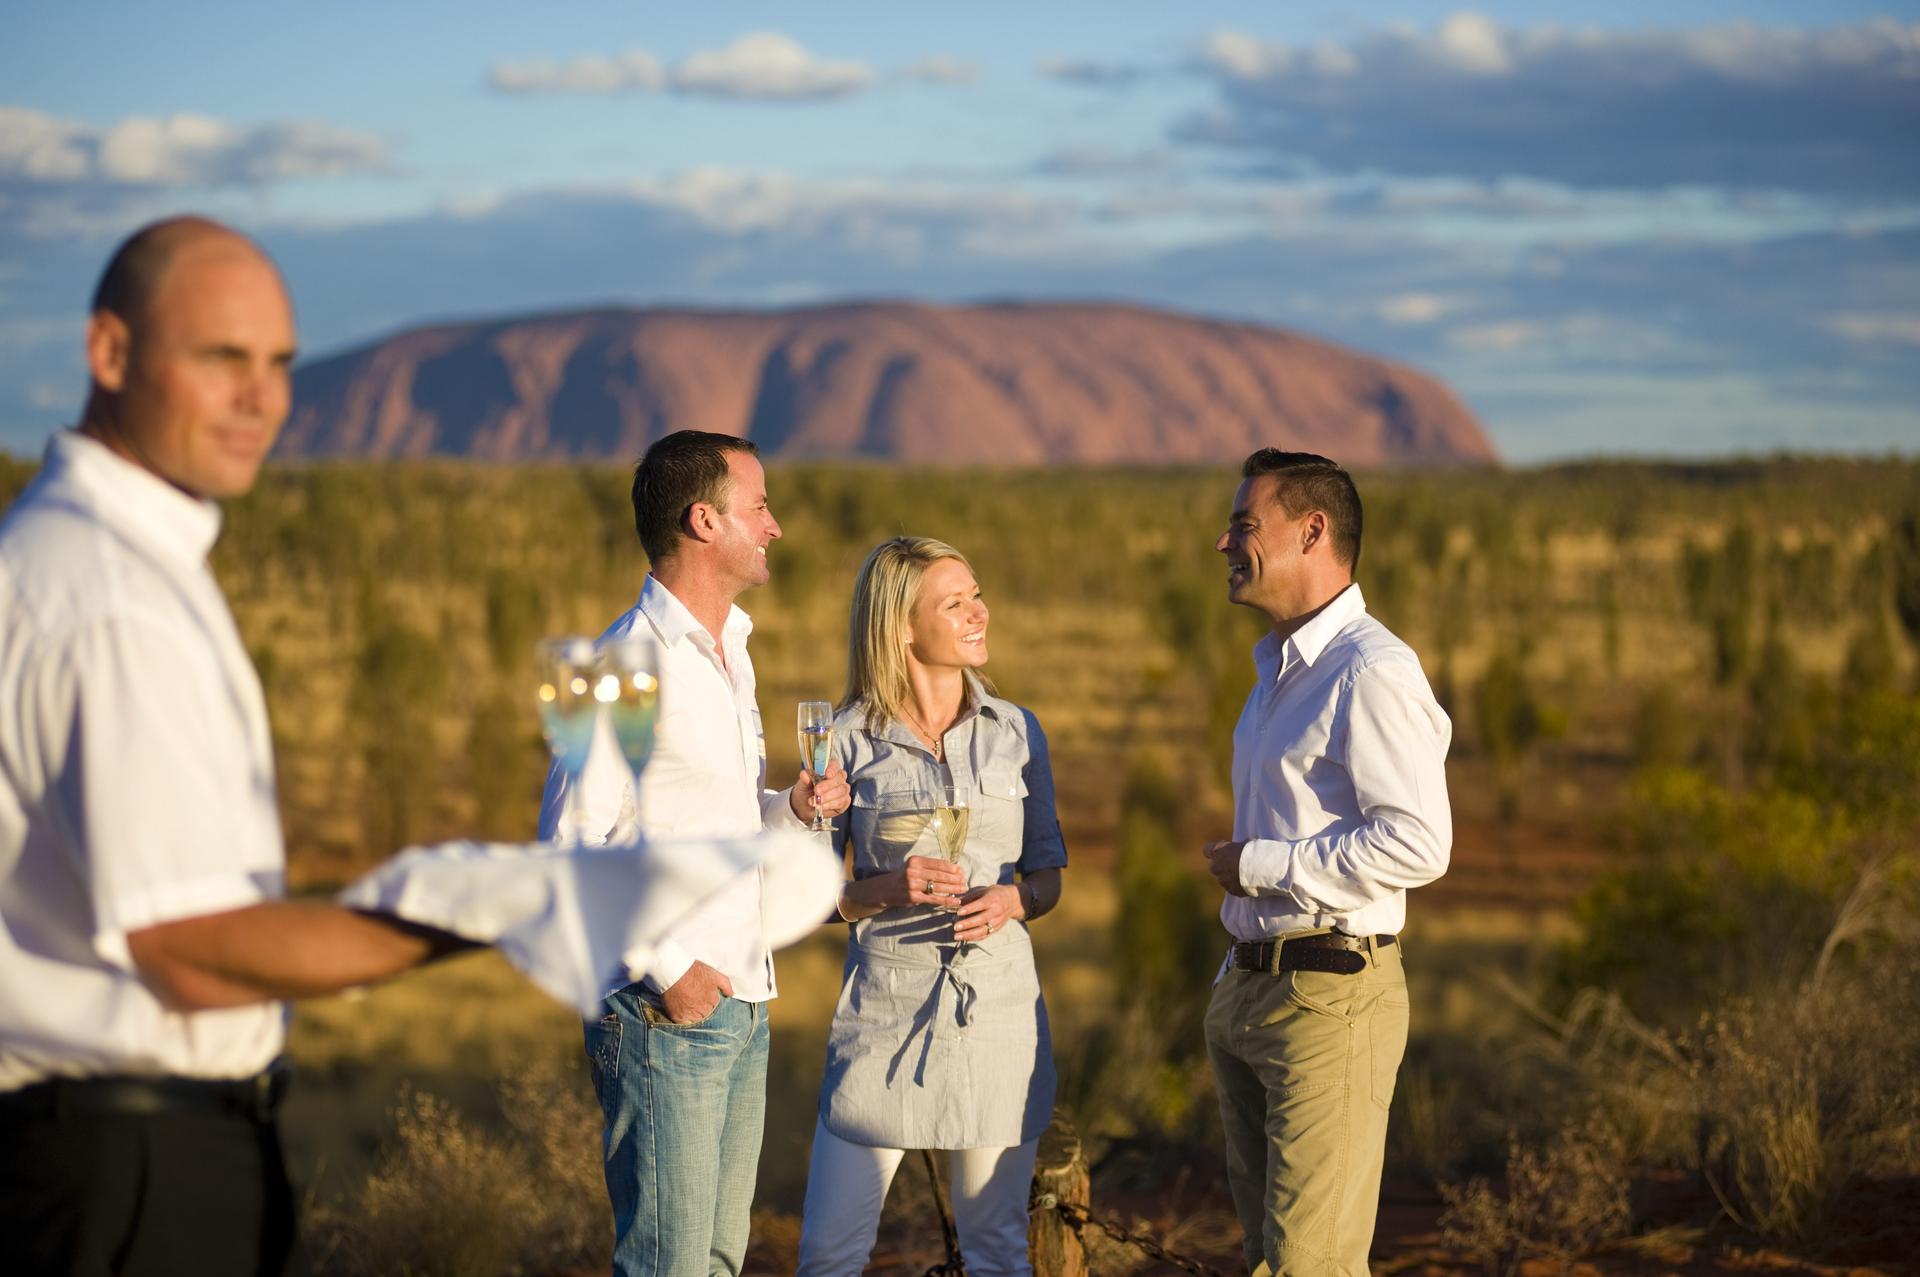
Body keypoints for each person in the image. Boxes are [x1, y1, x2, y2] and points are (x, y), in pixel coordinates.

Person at [0, 217, 478, 1276]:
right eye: (223, 359)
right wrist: (478, 911)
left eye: (278, 365)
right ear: (109, 352)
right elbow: (189, 946)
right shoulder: (110, 595)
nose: (262, 398)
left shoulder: (92, 556)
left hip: (108, 1159)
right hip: (128, 1167)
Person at [538, 429, 850, 1277]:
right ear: (705, 521)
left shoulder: (731, 652)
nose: (776, 526)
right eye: (760, 507)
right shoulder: (613, 662)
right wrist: (670, 970)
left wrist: (788, 807)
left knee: (715, 1259)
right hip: (662, 1010)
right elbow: (568, 848)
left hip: (741, 1001)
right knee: (666, 1264)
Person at [1199, 450, 1452, 1277]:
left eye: (1243, 524)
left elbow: (1419, 840)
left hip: (1330, 996)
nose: (1224, 543)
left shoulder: (1370, 669)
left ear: (1312, 530)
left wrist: (1263, 863)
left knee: (1310, 1268)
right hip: (1253, 987)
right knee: (1271, 1257)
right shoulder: (1276, 671)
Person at [794, 535, 1068, 1277]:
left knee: (997, 1253)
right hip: (882, 1016)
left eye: (976, 594)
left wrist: (1014, 898)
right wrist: (883, 890)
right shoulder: (843, 741)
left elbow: (1048, 871)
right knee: (827, 1256)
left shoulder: (1018, 731)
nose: (981, 612)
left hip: (999, 1019)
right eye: (957, 602)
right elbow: (812, 897)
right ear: (902, 627)